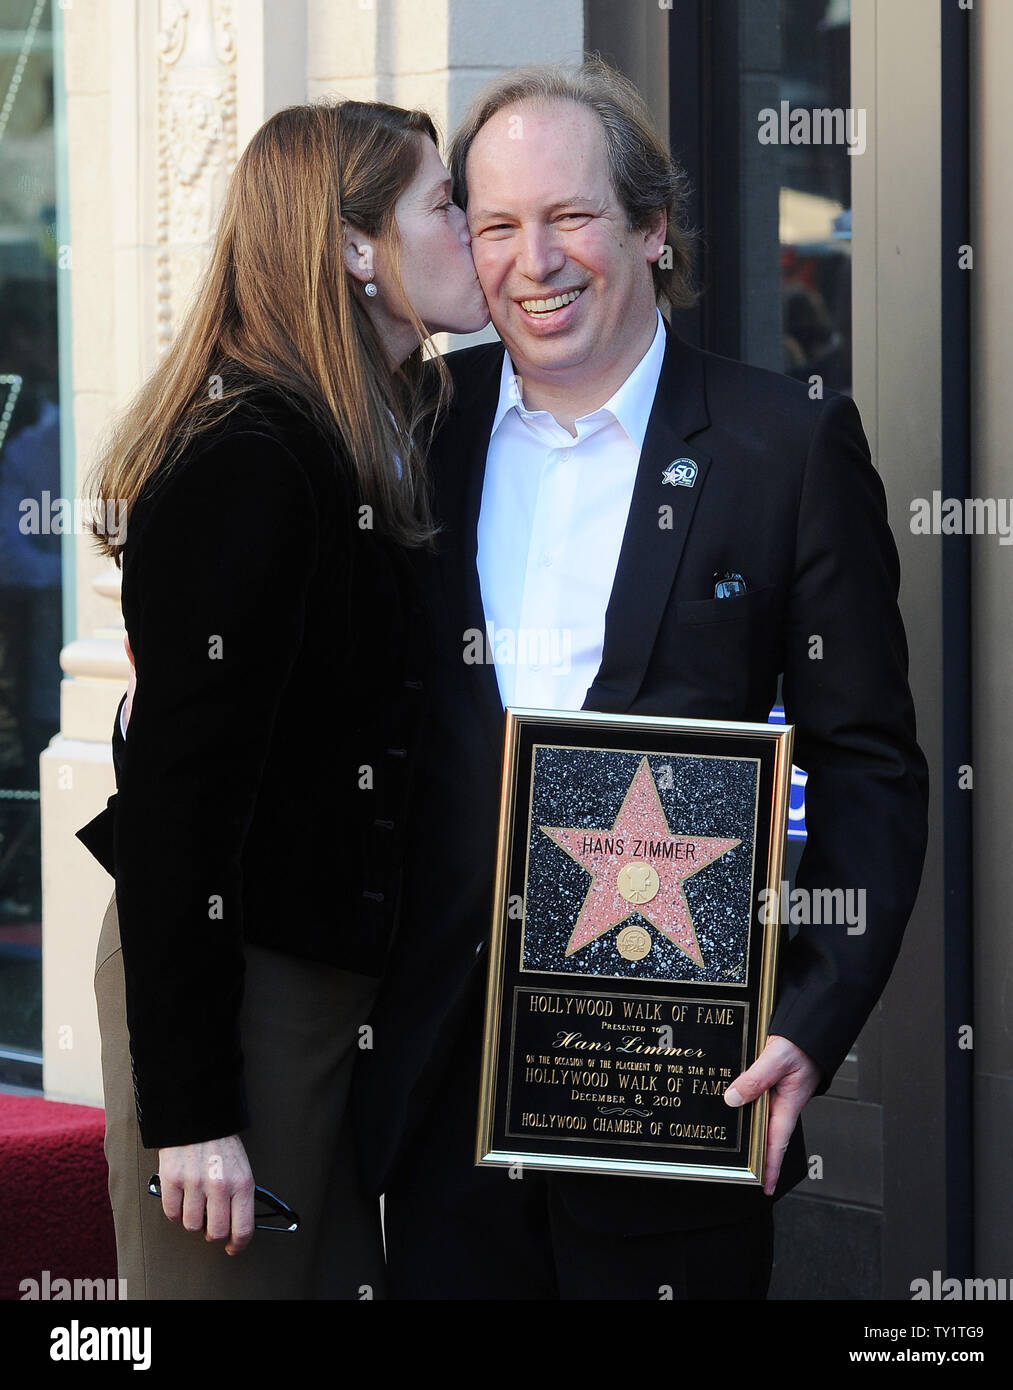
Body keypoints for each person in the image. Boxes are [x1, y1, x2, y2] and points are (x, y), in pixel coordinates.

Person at [350, 60, 929, 1300]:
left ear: (652, 226)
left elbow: (869, 762)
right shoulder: (411, 432)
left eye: (568, 217)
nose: (531, 259)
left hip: (675, 1084)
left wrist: (808, 1024)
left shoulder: (785, 443)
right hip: (441, 1092)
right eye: (494, 223)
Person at [74, 98, 489, 1299]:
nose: (472, 232)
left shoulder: (384, 423)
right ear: (355, 246)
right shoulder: (252, 460)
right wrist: (190, 1108)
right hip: (236, 996)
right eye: (445, 204)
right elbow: (179, 811)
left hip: (336, 996)